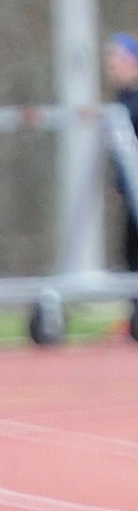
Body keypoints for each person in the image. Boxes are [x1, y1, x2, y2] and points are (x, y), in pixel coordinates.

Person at [105, 33, 138, 337]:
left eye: (117, 59)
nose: (111, 67)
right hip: (131, 195)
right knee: (129, 253)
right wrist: (118, 185)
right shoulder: (120, 104)